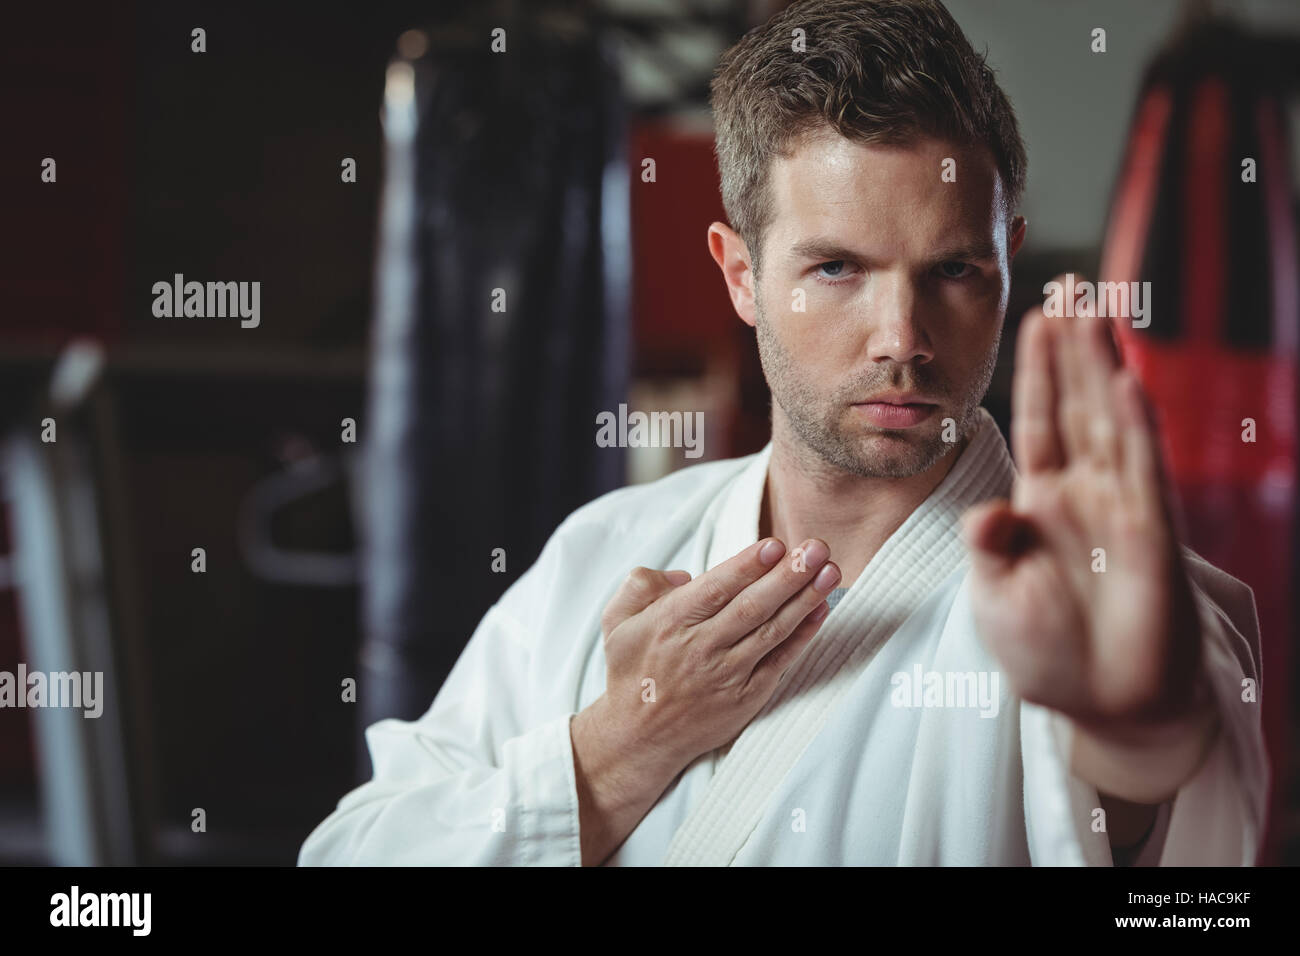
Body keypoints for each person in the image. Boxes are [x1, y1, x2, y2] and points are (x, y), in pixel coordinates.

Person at [299, 0, 1267, 866]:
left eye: (954, 271)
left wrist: (1139, 726)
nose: (902, 340)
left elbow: (1181, 832)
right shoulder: (609, 553)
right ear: (739, 273)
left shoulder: (1106, 603)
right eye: (838, 268)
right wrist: (617, 748)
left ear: (1007, 257)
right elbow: (350, 849)